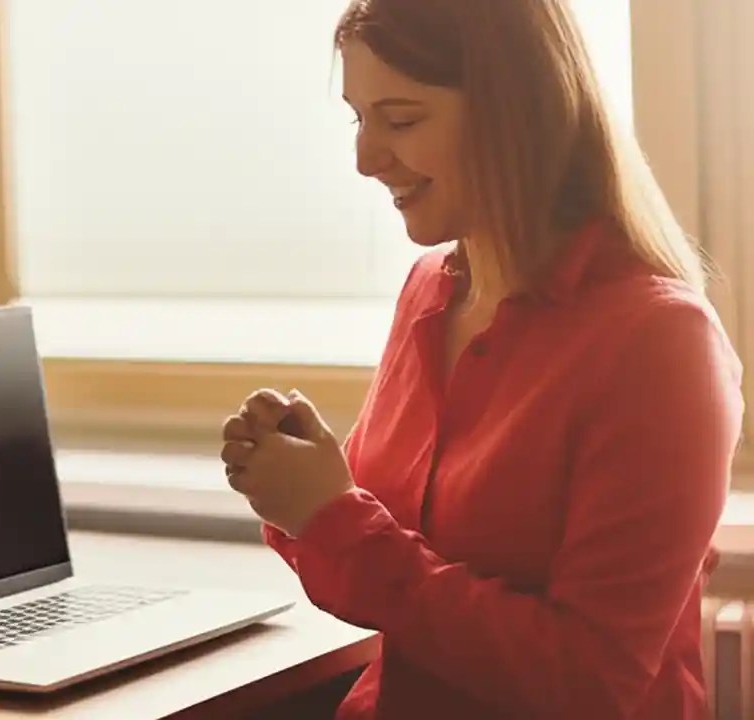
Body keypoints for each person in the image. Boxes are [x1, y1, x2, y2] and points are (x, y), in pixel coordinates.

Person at [218, 1, 745, 718]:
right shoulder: (429, 293)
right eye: (358, 118)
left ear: (518, 116)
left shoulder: (659, 343)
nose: (366, 160)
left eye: (401, 120)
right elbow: (385, 575)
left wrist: (332, 516)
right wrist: (298, 489)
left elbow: (591, 685)